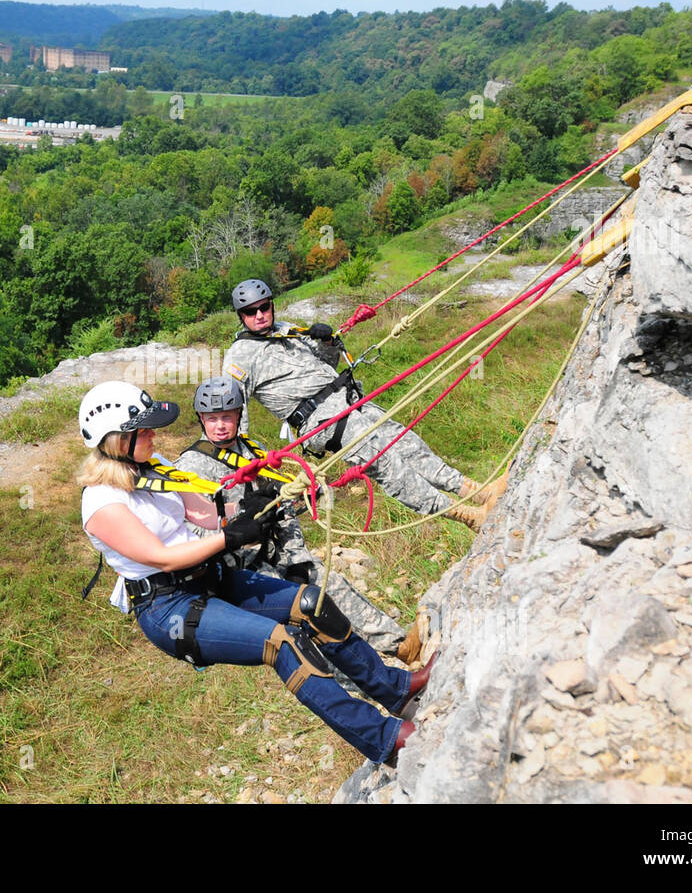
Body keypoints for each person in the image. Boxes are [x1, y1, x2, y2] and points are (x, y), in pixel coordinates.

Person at [78, 380, 434, 766]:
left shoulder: (152, 468)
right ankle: (385, 738)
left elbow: (207, 514)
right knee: (282, 643)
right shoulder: (101, 502)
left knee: (311, 603)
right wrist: (230, 538)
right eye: (142, 430)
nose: (153, 435)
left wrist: (254, 507)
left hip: (209, 577)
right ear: (115, 439)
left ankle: (397, 688)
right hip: (169, 607)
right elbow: (162, 557)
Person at [221, 278, 506, 531]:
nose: (259, 315)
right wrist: (247, 461)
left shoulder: (286, 330)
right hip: (322, 422)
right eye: (250, 311)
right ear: (241, 316)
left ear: (272, 305)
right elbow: (235, 407)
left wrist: (327, 340)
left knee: (406, 442)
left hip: (349, 399)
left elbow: (328, 362)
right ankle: (468, 515)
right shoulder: (239, 356)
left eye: (264, 307)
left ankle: (476, 490)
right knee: (387, 465)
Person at [174, 375, 415, 659]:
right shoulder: (189, 467)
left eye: (227, 416)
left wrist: (297, 559)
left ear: (239, 415)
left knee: (330, 585)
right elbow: (191, 530)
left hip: (276, 551)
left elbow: (284, 507)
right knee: (305, 621)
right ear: (201, 419)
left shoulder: (255, 451)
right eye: (212, 418)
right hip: (237, 569)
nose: (220, 425)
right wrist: (237, 524)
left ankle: (400, 645)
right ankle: (355, 677)